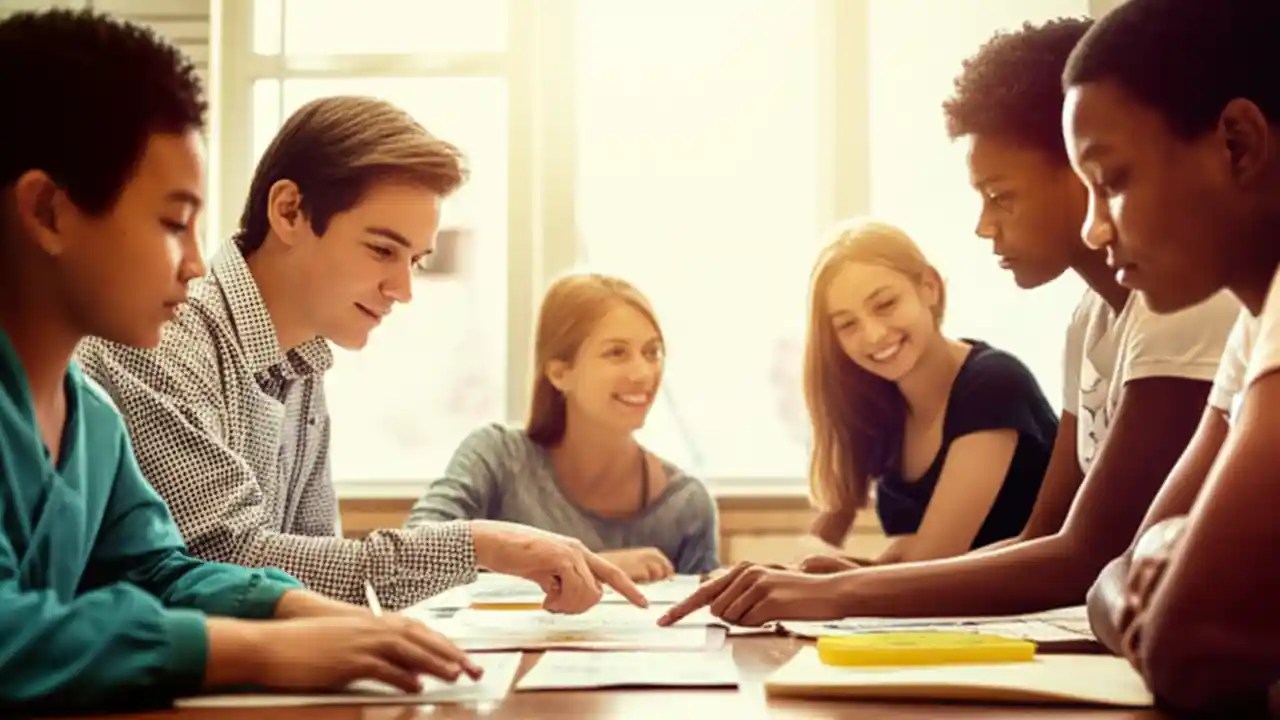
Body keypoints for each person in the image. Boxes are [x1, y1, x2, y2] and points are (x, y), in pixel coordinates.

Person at [659, 16, 1238, 629]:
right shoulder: (1088, 323)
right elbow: (1045, 535)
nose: (985, 226)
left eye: (1001, 196)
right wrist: (865, 577)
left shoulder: (1182, 308)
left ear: (1078, 171)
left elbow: (1085, 555)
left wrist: (839, 597)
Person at [0, 9, 484, 712]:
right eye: (173, 224)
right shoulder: (150, 359)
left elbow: (158, 568)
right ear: (48, 212)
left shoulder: (92, 422)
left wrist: (298, 612)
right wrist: (257, 647)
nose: (197, 262)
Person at [77, 95, 643, 612]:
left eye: (415, 261)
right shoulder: (160, 340)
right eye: (381, 250)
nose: (403, 288)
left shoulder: (301, 366)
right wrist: (480, 544)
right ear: (289, 211)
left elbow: (314, 572)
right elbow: (225, 562)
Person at [1063, 0, 1280, 712]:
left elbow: (1194, 645)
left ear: (1237, 145)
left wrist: (1172, 569)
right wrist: (1163, 563)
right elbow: (1116, 574)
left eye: (1112, 181)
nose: (1095, 230)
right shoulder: (1254, 326)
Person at [408, 273, 719, 581]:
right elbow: (411, 555)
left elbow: (704, 621)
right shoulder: (497, 458)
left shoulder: (687, 505)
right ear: (559, 373)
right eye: (616, 352)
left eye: (652, 352)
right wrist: (591, 568)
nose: (643, 373)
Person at [803, 219, 1056, 565]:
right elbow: (822, 545)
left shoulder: (994, 383)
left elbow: (935, 561)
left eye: (885, 304)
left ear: (929, 287)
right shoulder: (880, 402)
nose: (874, 335)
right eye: (848, 324)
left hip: (1037, 608)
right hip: (960, 609)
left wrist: (857, 570)